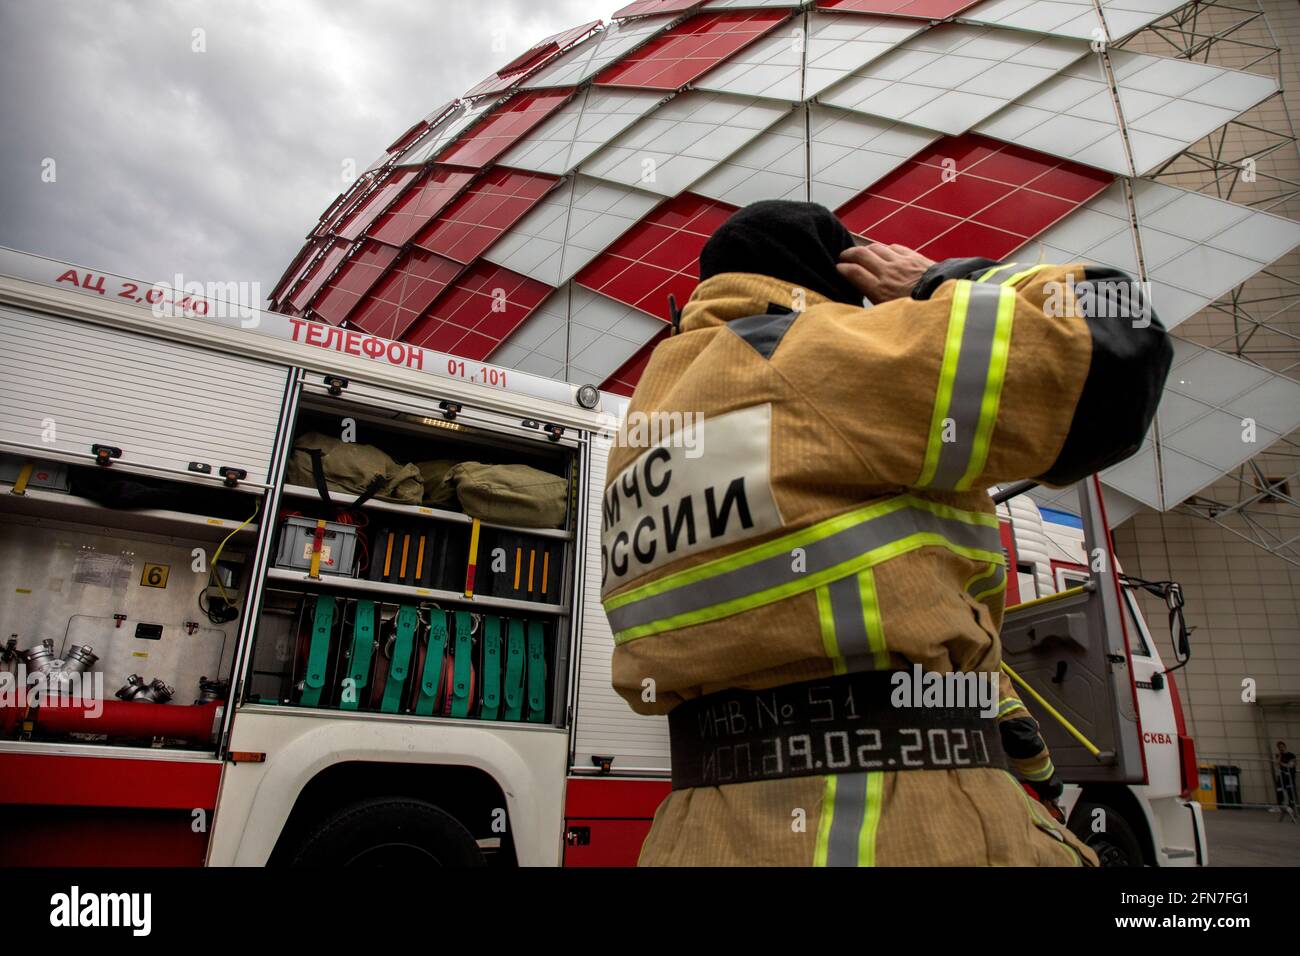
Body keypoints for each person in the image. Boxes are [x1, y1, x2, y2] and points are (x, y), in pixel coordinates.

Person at [600, 199, 1172, 866]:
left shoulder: (642, 432)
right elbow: (1119, 344)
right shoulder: (823, 355)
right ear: (844, 279)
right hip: (897, 820)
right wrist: (935, 281)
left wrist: (1026, 754)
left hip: (699, 824)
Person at [1277, 740, 1297, 815]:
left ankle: (1292, 808)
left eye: (1282, 747)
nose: (1281, 749)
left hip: (1290, 776)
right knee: (1279, 790)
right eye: (1279, 748)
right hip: (1282, 776)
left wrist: (1282, 763)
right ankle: (1281, 806)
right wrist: (1280, 756)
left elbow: (1291, 765)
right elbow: (1277, 764)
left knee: (1290, 792)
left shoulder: (1291, 755)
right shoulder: (1280, 755)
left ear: (1285, 747)